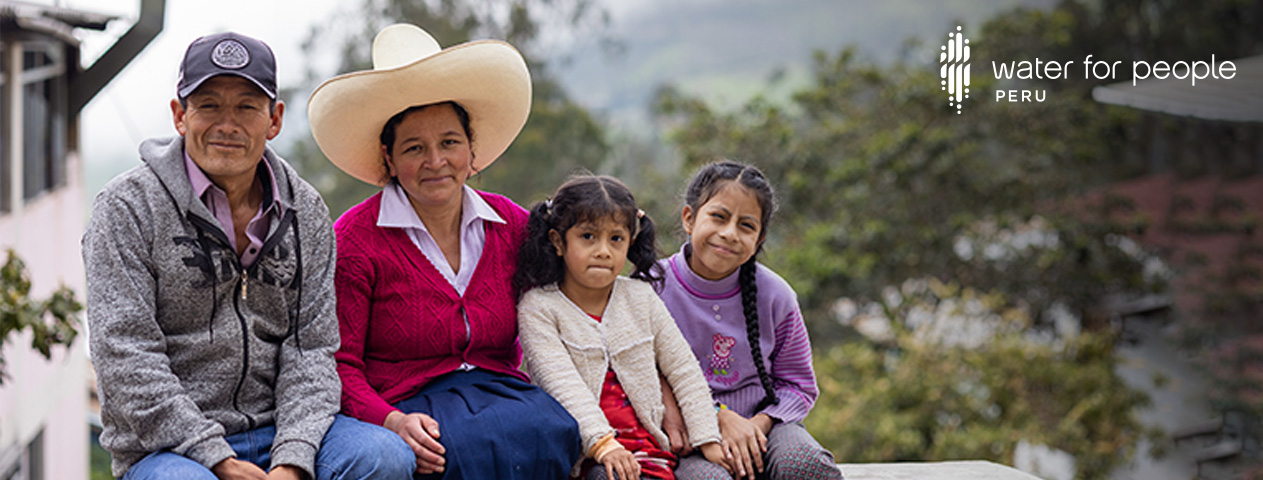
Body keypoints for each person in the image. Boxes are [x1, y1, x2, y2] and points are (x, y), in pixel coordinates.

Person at [82, 32, 414, 480]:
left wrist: (293, 460)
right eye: (209, 105)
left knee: (384, 457)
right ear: (180, 116)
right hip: (169, 450)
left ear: (274, 119)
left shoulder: (307, 210)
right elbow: (126, 355)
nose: (227, 124)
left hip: (284, 430)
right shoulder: (127, 208)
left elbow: (311, 349)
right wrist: (215, 458)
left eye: (246, 107)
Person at [306, 23, 581, 479]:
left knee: (552, 428)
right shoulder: (355, 240)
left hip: (502, 392)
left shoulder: (511, 224)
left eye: (450, 142)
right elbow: (339, 364)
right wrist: (391, 420)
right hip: (407, 402)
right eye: (414, 148)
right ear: (389, 159)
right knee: (450, 448)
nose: (435, 161)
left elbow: (566, 315)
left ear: (472, 148)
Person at [514, 175, 732, 480]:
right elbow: (561, 384)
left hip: (658, 448)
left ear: (630, 241)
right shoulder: (539, 308)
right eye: (588, 237)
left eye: (615, 239)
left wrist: (708, 439)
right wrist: (604, 445)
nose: (603, 250)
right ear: (558, 241)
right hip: (591, 456)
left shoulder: (640, 297)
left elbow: (683, 369)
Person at [657, 161, 842, 480]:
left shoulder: (775, 295)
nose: (729, 233)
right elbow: (636, 376)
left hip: (765, 428)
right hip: (687, 436)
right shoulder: (651, 289)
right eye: (718, 217)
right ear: (689, 218)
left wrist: (757, 427)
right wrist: (718, 418)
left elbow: (798, 385)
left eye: (746, 225)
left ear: (759, 239)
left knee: (804, 466)